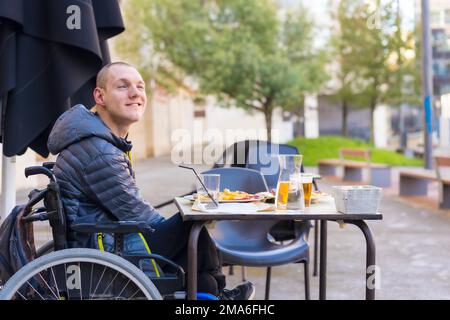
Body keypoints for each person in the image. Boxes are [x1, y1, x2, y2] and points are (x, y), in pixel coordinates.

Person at [47, 62, 255, 300]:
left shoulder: (100, 141)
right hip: (105, 250)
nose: (135, 93)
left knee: (197, 259)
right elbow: (142, 218)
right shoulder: (98, 152)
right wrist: (193, 211)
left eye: (140, 87)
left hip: (109, 237)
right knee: (191, 228)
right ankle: (218, 295)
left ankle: (215, 293)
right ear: (100, 96)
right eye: (123, 86)